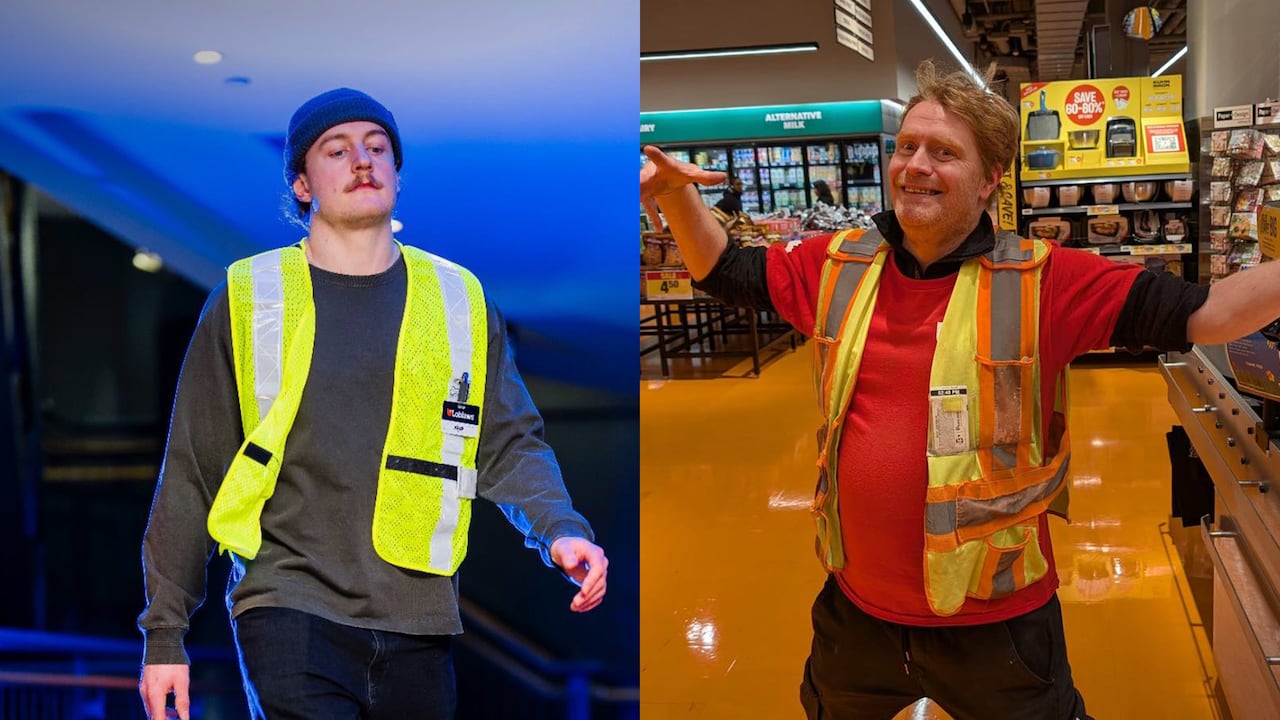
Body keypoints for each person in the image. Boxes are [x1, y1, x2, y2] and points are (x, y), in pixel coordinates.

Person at [640, 59, 1278, 720]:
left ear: (989, 182)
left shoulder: (1042, 281)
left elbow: (1211, 313)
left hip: (996, 625)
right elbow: (728, 270)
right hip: (857, 614)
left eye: (944, 152)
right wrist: (675, 194)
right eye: (907, 147)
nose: (916, 164)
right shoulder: (840, 265)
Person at [138, 87, 608, 720]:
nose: (363, 160)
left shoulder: (457, 297)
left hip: (419, 611)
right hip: (286, 602)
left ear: (395, 171)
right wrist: (165, 634)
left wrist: (560, 528)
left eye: (378, 147)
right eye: (338, 150)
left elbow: (505, 440)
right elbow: (193, 468)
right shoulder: (251, 295)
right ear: (303, 184)